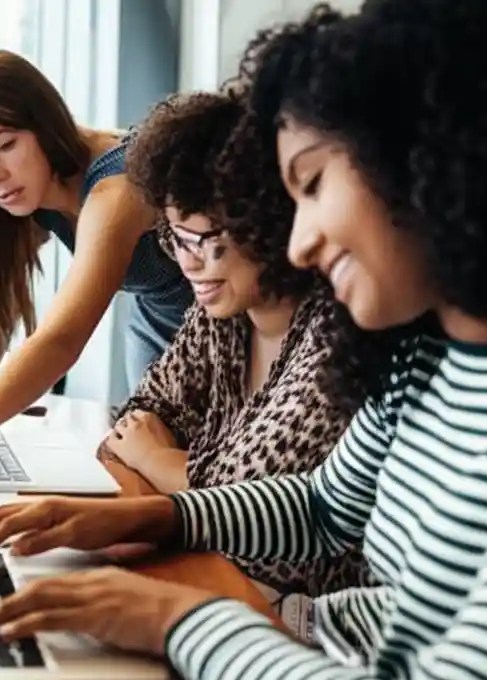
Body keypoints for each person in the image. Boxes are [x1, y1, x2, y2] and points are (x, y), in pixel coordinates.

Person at [0, 2, 487, 680]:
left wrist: (174, 621)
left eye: (312, 185)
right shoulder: (422, 357)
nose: (298, 245)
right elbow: (323, 506)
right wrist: (158, 521)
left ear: (429, 160)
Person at [0, 50, 193, 499]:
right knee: (144, 481)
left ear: (44, 124)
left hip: (240, 329)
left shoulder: (115, 189)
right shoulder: (18, 196)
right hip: (159, 325)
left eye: (5, 145)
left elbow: (61, 340)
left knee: (195, 484)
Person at [104, 90, 372, 599]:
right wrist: (182, 464)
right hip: (227, 582)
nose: (188, 264)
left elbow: (255, 517)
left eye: (210, 243)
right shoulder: (223, 314)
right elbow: (138, 415)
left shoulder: (337, 328)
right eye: (177, 239)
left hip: (306, 615)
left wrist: (161, 460)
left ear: (269, 225)